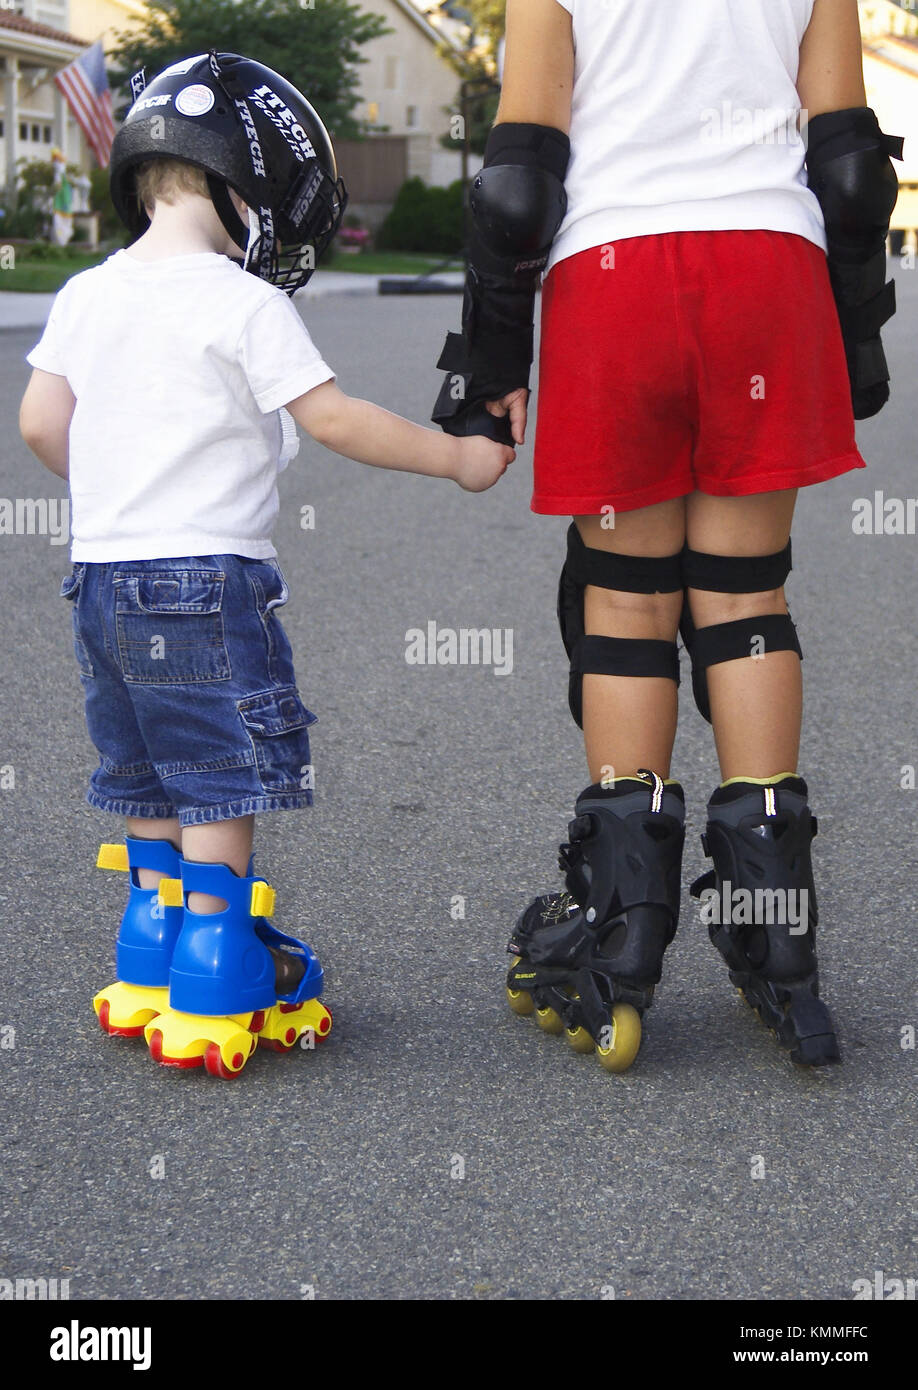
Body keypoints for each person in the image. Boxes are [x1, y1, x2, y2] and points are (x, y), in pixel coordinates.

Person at [19, 51, 514, 1080]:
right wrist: (462, 459)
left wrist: (115, 487)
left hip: (102, 580)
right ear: (243, 188)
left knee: (145, 764)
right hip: (204, 581)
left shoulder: (84, 293)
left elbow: (39, 423)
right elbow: (334, 419)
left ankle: (149, 941)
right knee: (217, 772)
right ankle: (215, 960)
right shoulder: (244, 305)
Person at [433, 0, 902, 1070]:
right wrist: (860, 333)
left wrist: (493, 360)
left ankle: (618, 933)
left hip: (618, 277)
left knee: (626, 602)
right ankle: (778, 933)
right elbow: (849, 171)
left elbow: (519, 179)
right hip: (770, 276)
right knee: (744, 596)